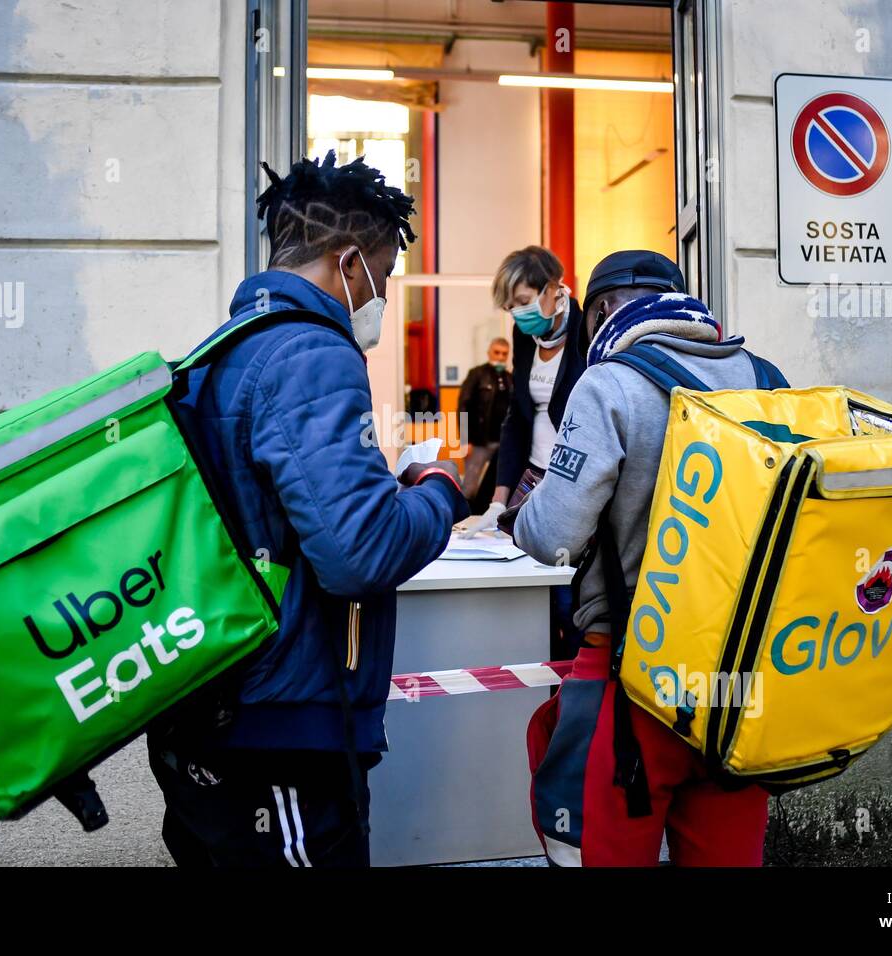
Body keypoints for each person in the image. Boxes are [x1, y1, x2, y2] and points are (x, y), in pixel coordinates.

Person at [149, 152, 469, 868]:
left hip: (209, 709)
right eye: (382, 278)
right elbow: (360, 555)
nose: (380, 297)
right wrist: (440, 491)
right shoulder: (312, 355)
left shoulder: (220, 352)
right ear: (348, 261)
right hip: (280, 722)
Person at [509, 250, 784, 866]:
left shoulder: (609, 383)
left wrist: (517, 517)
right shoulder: (766, 380)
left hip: (631, 674)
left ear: (602, 310)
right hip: (740, 676)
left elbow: (553, 534)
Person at [458, 246, 587, 534]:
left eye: (523, 301)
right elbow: (516, 417)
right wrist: (498, 502)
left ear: (552, 287)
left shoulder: (586, 329)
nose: (517, 314)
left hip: (576, 477)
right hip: (532, 474)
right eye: (510, 307)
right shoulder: (526, 336)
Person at [456, 337, 513, 509]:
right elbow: (463, 406)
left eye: (504, 354)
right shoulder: (477, 374)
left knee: (498, 486)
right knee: (470, 486)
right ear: (489, 352)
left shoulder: (511, 379)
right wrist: (465, 440)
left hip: (502, 444)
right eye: (497, 352)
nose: (500, 357)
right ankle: (462, 519)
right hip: (479, 441)